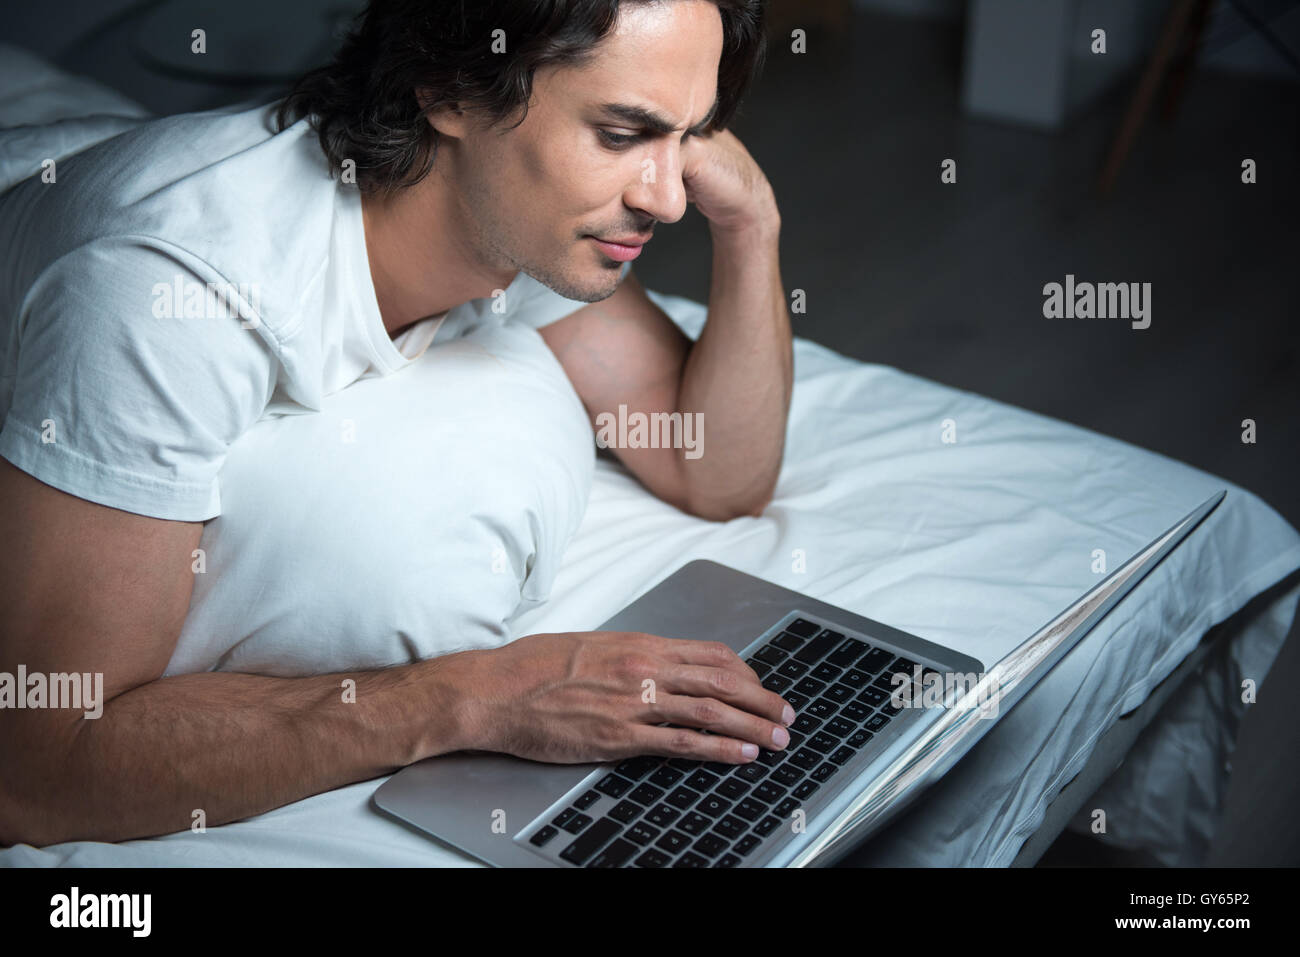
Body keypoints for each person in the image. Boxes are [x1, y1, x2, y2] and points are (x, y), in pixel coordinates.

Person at [0, 0, 794, 848]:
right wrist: (472, 694)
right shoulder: (162, 296)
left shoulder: (517, 215)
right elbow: (37, 770)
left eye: (691, 137)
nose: (669, 198)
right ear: (451, 91)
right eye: (621, 133)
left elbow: (714, 471)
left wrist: (752, 227)